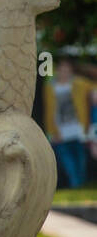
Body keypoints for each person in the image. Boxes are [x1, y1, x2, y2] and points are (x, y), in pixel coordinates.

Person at [43, 58, 96, 189]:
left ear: (71, 71)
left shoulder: (79, 83)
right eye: (62, 69)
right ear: (57, 71)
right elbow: (49, 110)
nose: (64, 72)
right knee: (69, 164)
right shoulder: (50, 86)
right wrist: (51, 131)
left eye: (67, 70)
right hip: (61, 133)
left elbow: (94, 87)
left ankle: (79, 187)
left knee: (81, 162)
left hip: (78, 131)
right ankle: (76, 186)